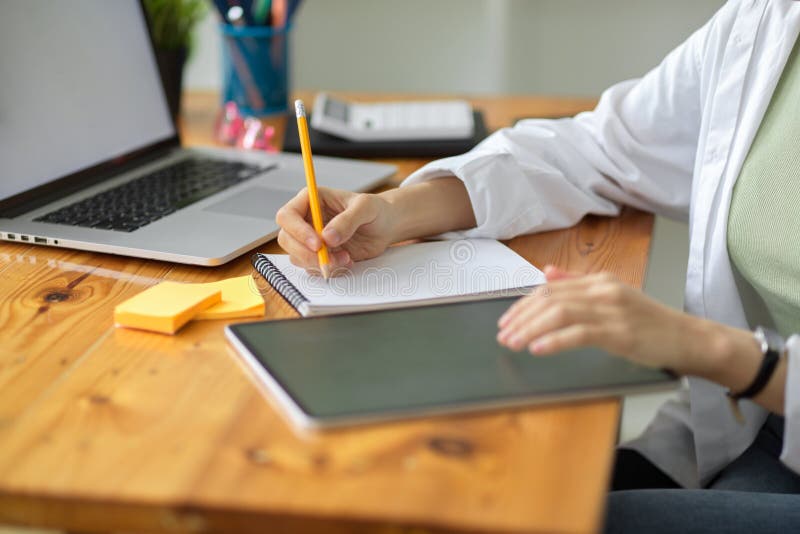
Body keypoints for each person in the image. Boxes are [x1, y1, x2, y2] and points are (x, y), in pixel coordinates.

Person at [275, 1, 800, 531]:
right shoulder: (768, 19)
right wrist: (395, 213)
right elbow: (599, 149)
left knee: (539, 516)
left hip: (768, 405)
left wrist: (707, 348)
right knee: (483, 494)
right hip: (762, 427)